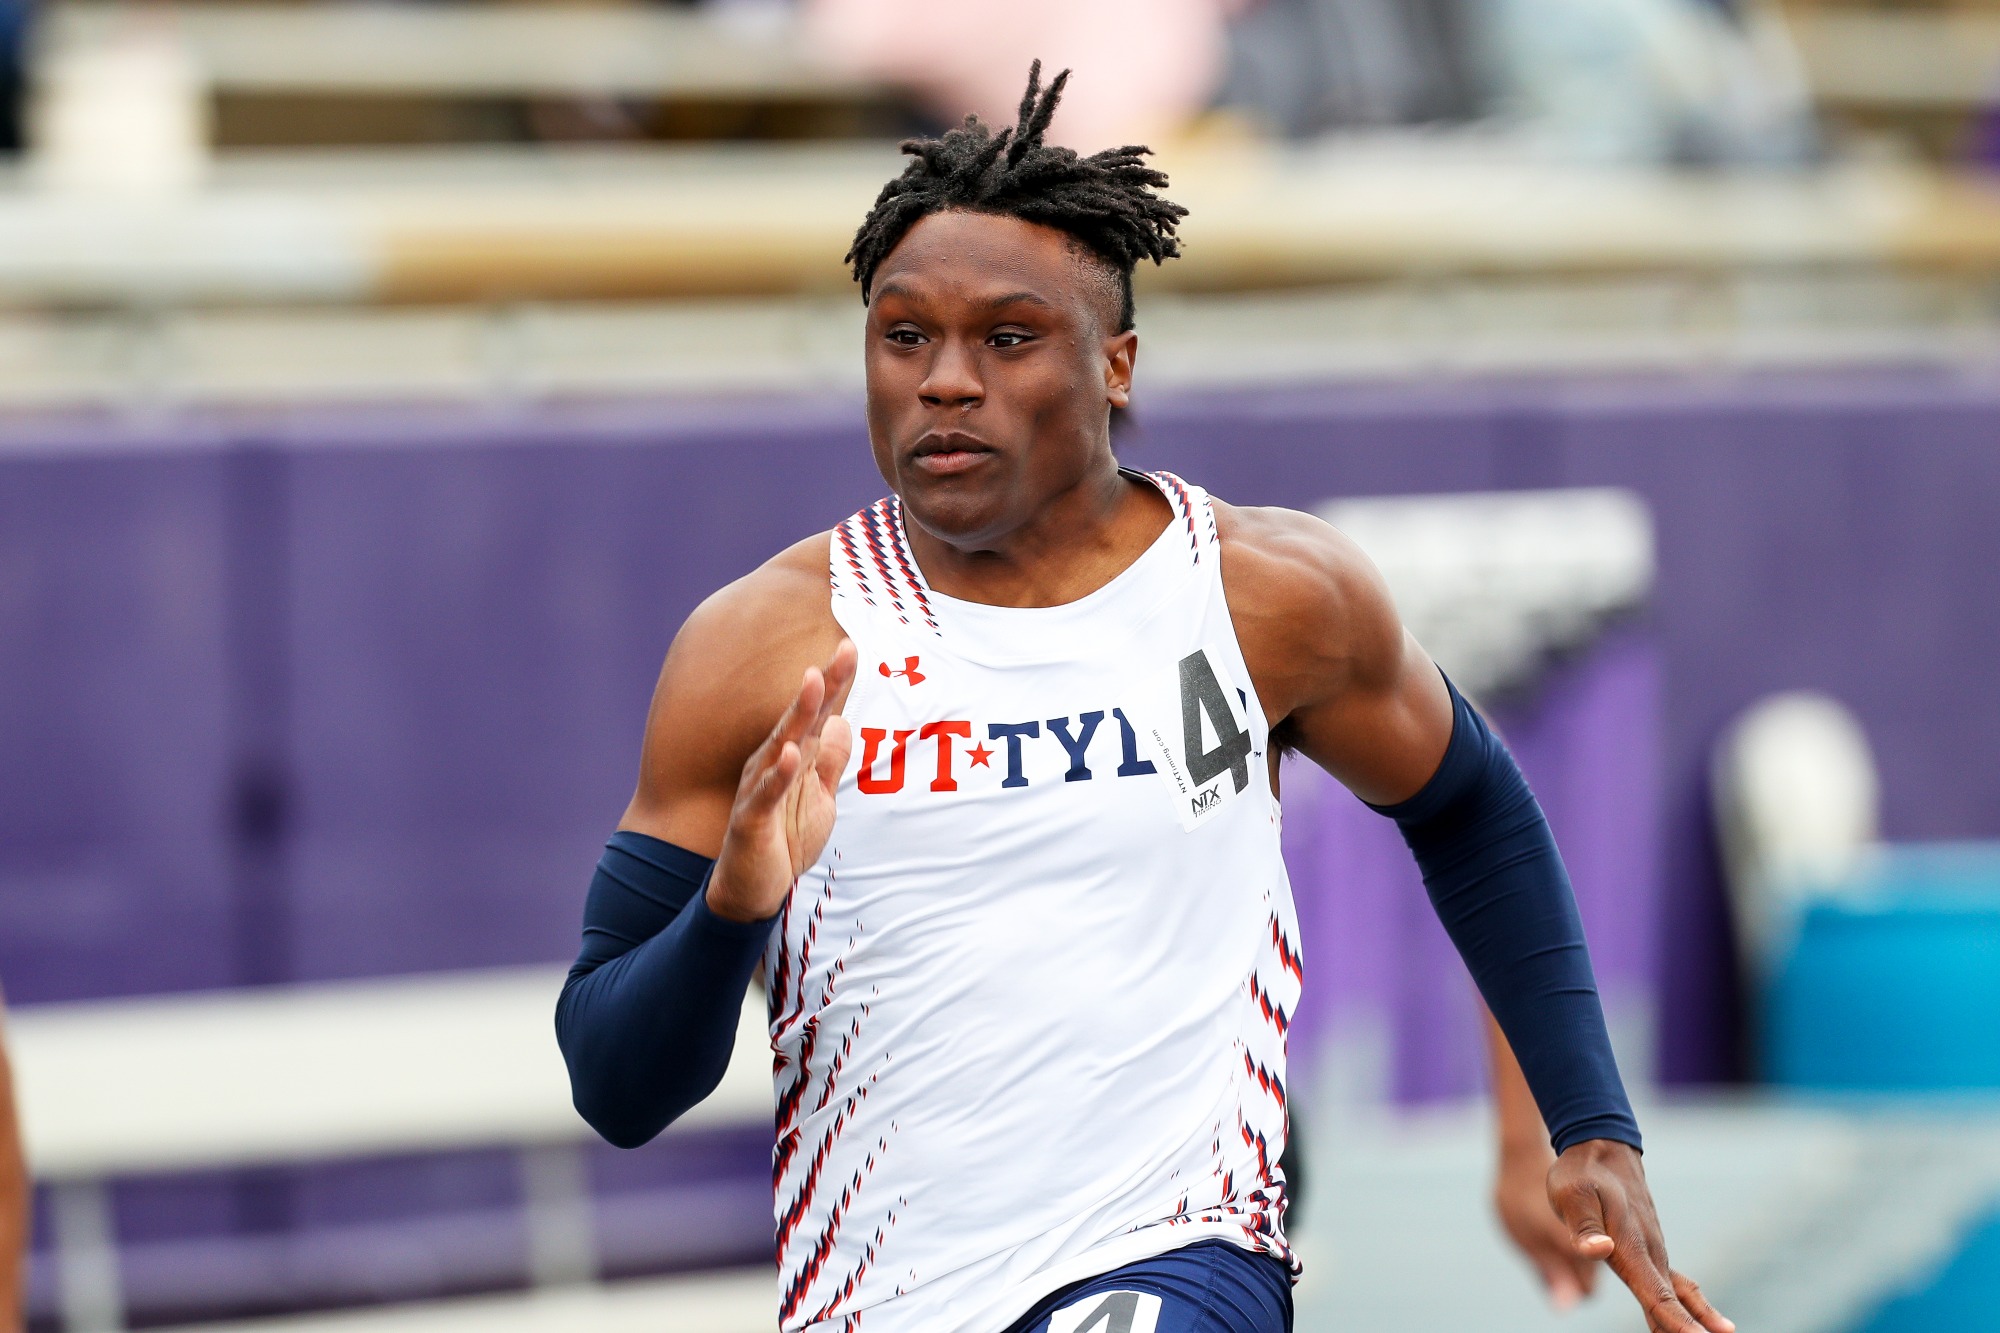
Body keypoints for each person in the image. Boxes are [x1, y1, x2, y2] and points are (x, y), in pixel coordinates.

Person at [557, 63, 1731, 1333]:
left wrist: (1580, 1124)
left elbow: (1475, 812)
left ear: (1113, 365)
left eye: (1006, 338)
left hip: (1184, 1246)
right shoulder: (761, 648)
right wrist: (731, 907)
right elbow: (617, 1087)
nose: (945, 381)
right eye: (905, 337)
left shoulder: (1263, 598)